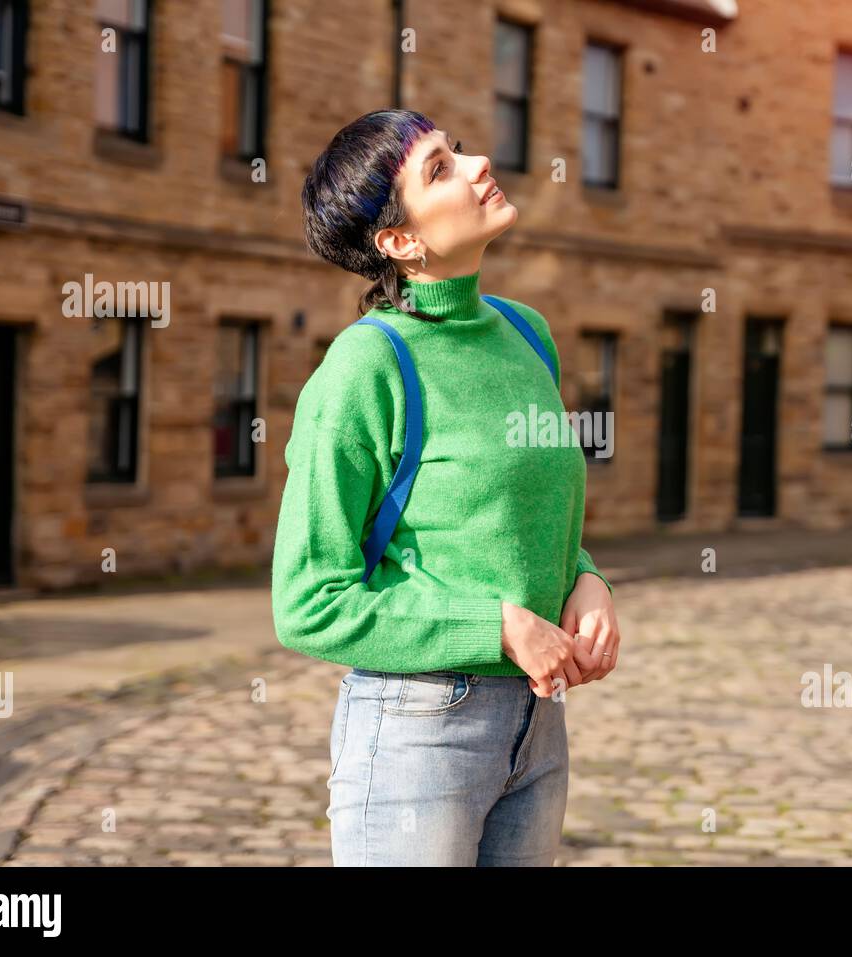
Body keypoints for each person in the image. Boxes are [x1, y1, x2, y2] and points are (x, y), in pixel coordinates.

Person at [272, 108, 621, 866]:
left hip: (538, 730)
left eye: (456, 151)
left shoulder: (527, 333)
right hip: (418, 734)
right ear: (400, 242)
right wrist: (495, 627)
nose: (478, 163)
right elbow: (307, 601)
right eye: (440, 169)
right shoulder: (364, 371)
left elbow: (516, 517)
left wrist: (585, 578)